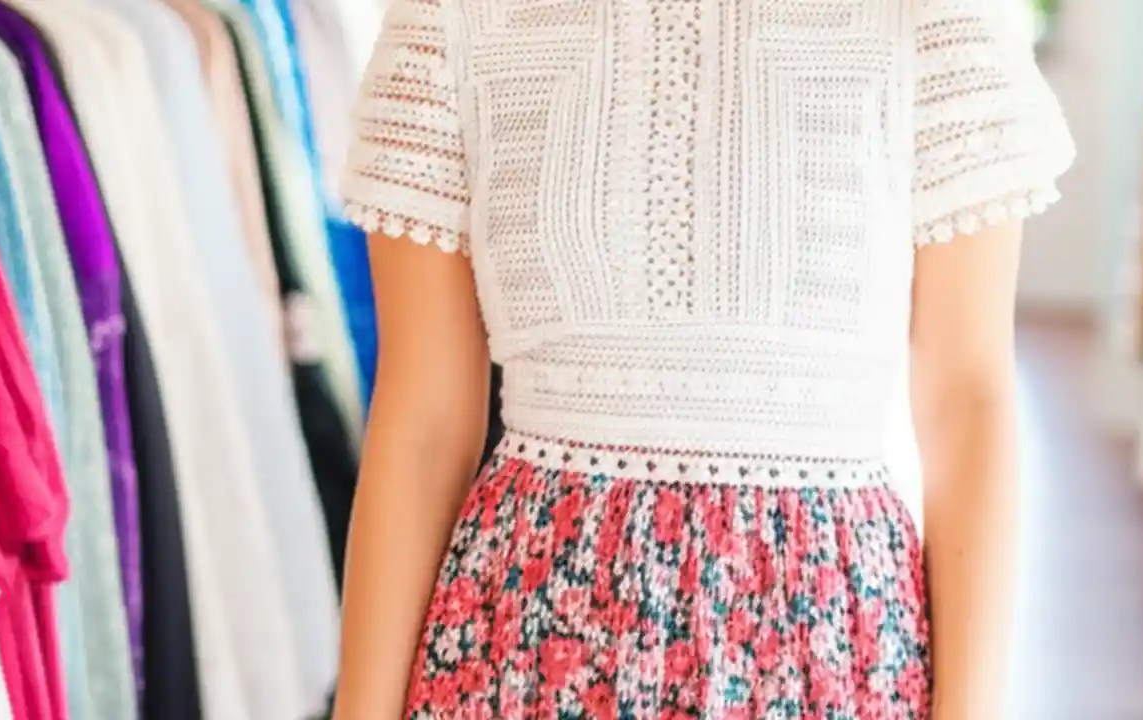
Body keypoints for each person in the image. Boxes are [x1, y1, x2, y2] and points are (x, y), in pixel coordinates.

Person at [332, 0, 1074, 716]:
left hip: (828, 642)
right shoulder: (450, 20)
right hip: (528, 631)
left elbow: (967, 398)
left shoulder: (934, 21)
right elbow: (422, 424)